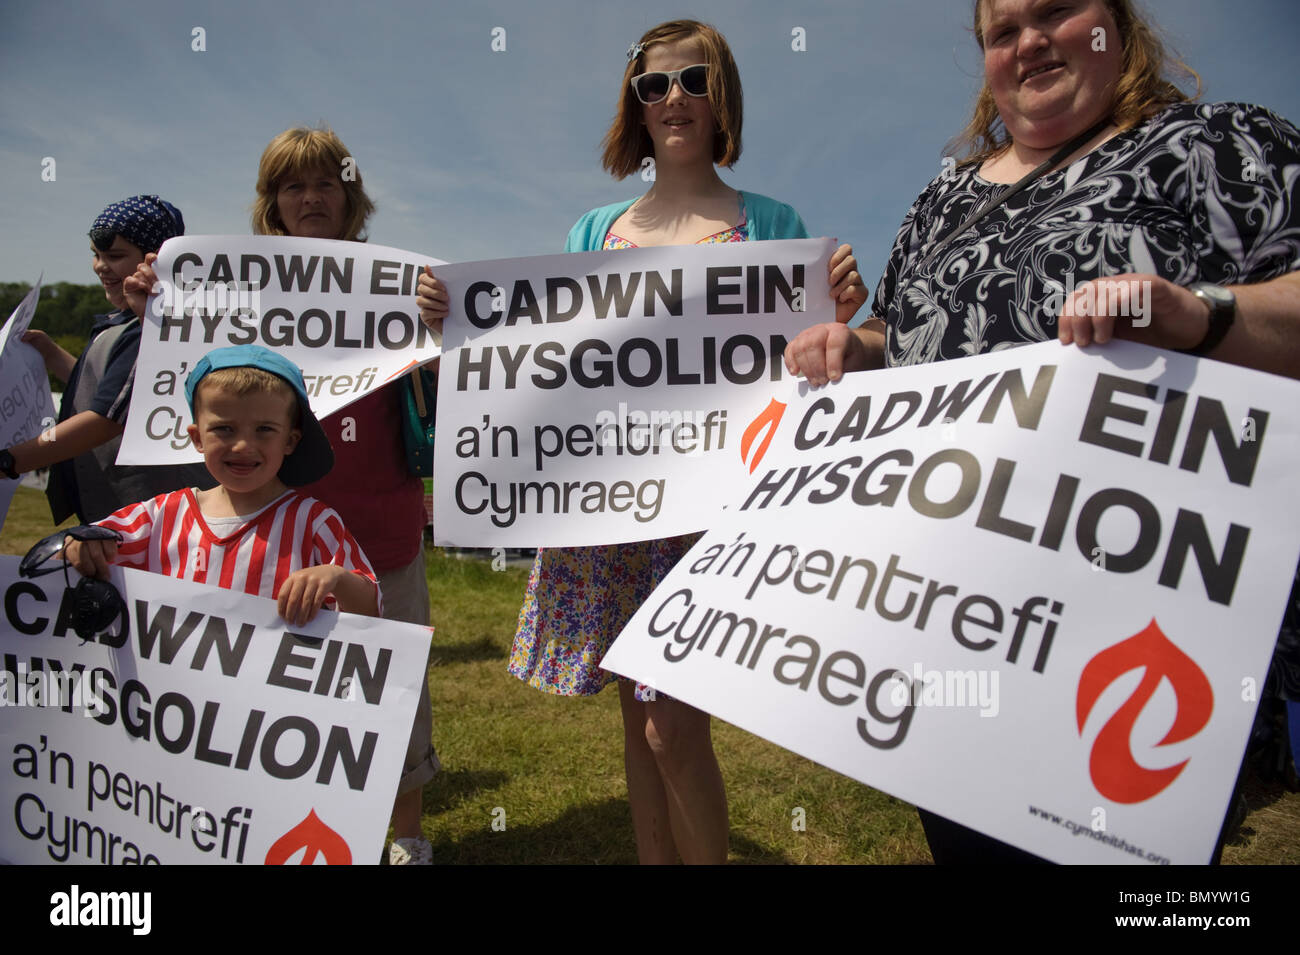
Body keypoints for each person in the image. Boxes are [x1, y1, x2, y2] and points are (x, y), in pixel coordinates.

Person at [784, 0, 1300, 862]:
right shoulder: (943, 198)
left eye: (1056, 12)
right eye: (1002, 31)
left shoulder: (1219, 147)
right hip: (947, 626)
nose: (1029, 43)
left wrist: (1204, 313)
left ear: (1116, 23)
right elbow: (897, 333)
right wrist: (855, 345)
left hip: (1127, 644)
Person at [419, 19, 864, 865]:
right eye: (653, 85)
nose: (673, 100)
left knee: (670, 727)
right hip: (611, 512)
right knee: (637, 713)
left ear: (721, 93)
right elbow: (552, 361)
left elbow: (805, 366)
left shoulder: (773, 221)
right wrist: (459, 322)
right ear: (635, 102)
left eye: (693, 81)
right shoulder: (595, 230)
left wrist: (837, 313)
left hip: (712, 515)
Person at [125, 128, 441, 865]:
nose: (310, 198)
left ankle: (407, 841)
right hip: (268, 541)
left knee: (391, 700)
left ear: (350, 195)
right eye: (293, 186)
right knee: (277, 711)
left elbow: (455, 386)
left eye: (326, 183)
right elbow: (194, 369)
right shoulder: (231, 285)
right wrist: (156, 307)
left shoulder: (395, 284)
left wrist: (440, 327)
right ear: (271, 202)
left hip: (380, 532)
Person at [66, 345, 380, 626]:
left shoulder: (313, 523)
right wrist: (79, 545)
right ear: (197, 438)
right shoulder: (159, 517)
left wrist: (336, 578)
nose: (243, 445)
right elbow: (75, 550)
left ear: (290, 440)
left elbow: (370, 613)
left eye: (264, 429)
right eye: (224, 429)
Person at [0, 196, 213, 522]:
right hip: (118, 509)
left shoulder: (153, 326)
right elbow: (108, 392)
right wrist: (50, 352)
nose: (101, 265)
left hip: (141, 514)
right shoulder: (121, 322)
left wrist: (10, 461)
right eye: (96, 255)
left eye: (114, 256)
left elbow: (106, 419)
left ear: (154, 260)